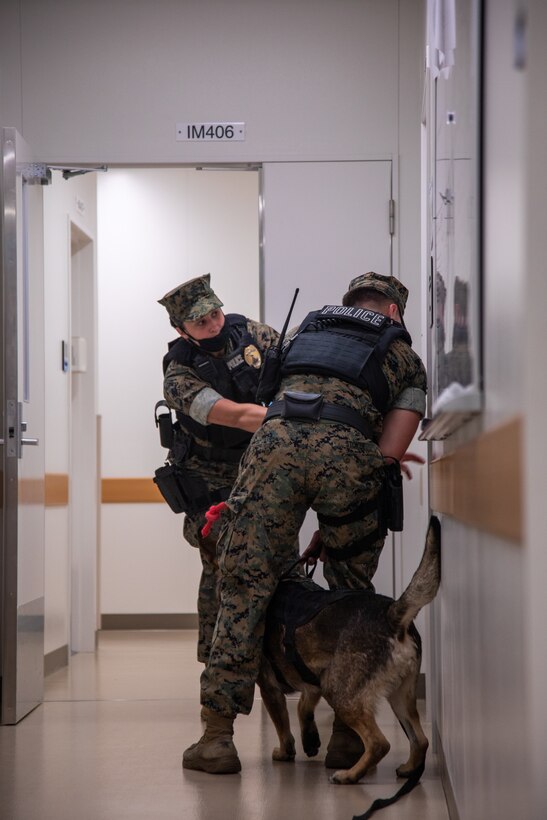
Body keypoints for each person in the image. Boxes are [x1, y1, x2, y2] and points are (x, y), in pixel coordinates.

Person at [182, 271, 428, 775]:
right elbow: (390, 453)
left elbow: (273, 399)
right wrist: (343, 508)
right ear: (393, 311)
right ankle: (345, 739)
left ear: (348, 304)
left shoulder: (304, 334)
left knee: (243, 586)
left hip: (271, 450)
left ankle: (216, 738)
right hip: (350, 454)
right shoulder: (404, 355)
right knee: (351, 586)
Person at [158, 274, 279, 665]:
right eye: (200, 321)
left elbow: (297, 373)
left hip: (260, 466)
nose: (213, 324)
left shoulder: (253, 334)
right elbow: (240, 416)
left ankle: (281, 658)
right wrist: (291, 414)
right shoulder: (179, 375)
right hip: (209, 478)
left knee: (279, 558)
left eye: (215, 313)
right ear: (181, 329)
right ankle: (219, 661)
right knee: (220, 565)